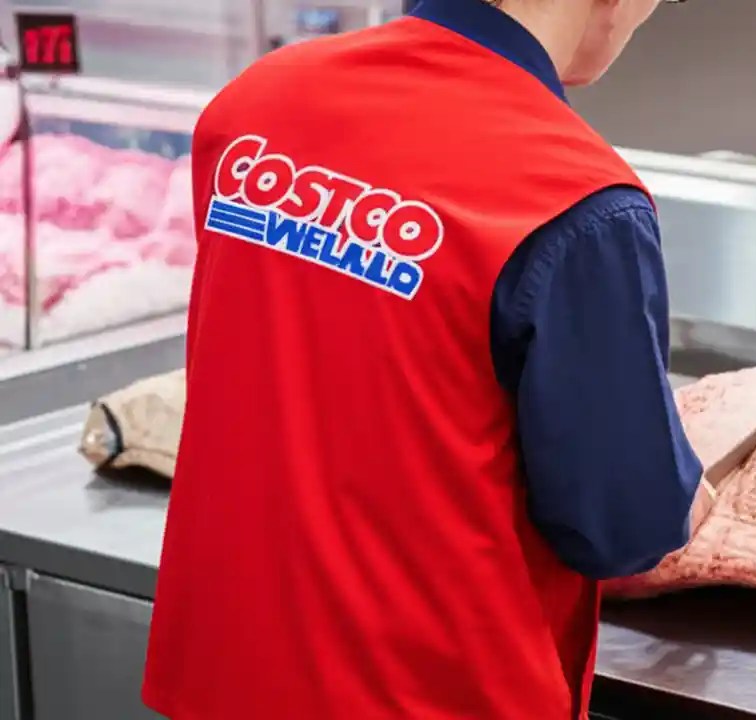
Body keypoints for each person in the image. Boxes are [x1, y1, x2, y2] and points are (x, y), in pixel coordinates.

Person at [141, 1, 703, 718]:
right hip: (426, 694)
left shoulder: (254, 106)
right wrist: (678, 492)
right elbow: (620, 529)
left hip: (229, 676)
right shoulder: (571, 196)